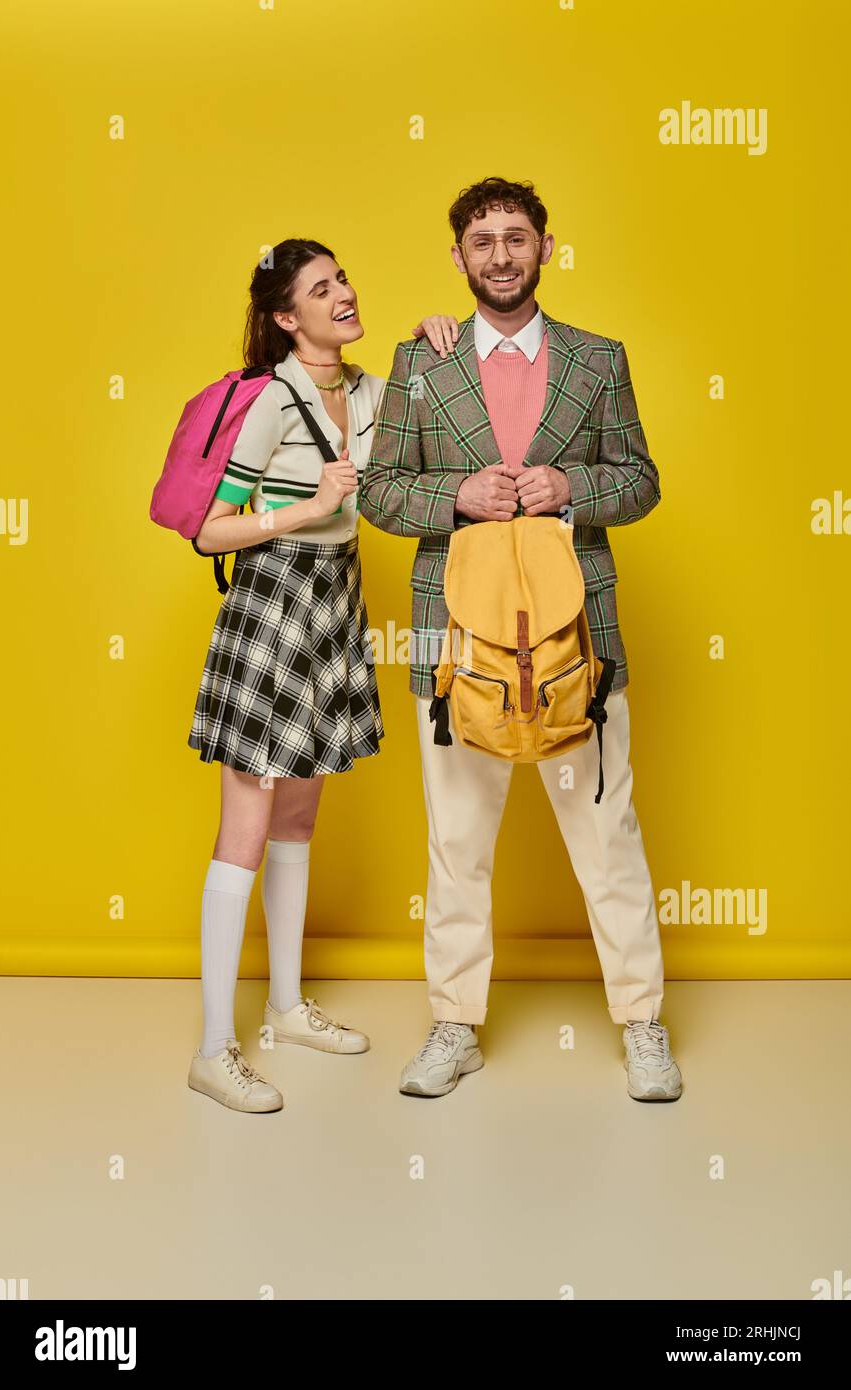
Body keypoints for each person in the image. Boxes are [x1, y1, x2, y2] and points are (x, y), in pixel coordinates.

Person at [361, 177, 683, 1103]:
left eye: (516, 237)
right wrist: (455, 496)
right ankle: (454, 1024)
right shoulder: (421, 362)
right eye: (481, 241)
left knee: (608, 837)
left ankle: (641, 1022)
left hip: (578, 639)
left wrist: (570, 486)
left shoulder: (599, 359)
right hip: (458, 643)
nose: (500, 255)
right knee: (456, 846)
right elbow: (382, 490)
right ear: (458, 258)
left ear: (547, 246)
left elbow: (643, 478)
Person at [185, 237, 459, 1112]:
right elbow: (210, 531)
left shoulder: (373, 390)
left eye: (342, 278)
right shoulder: (270, 400)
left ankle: (287, 1007)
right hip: (272, 599)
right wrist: (303, 508)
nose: (342, 294)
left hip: (336, 599)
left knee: (301, 807)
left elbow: (441, 403)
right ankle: (214, 1047)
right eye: (320, 288)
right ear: (285, 317)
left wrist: (430, 335)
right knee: (250, 811)